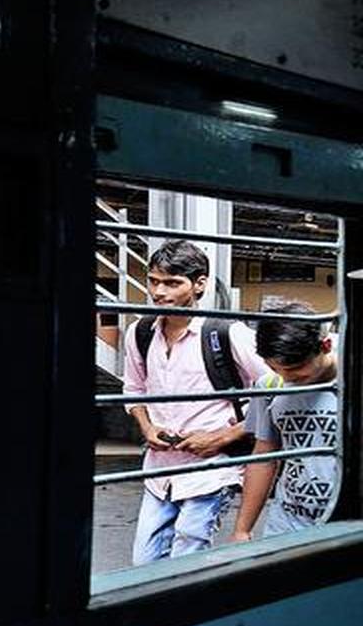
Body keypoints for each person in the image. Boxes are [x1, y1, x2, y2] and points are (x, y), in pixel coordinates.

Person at [122, 240, 269, 564]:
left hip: (211, 470)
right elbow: (133, 389)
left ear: (199, 283)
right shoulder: (140, 332)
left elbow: (277, 388)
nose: (159, 292)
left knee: (188, 558)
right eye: (154, 281)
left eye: (172, 283)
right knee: (143, 563)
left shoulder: (228, 334)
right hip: (159, 472)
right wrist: (146, 427)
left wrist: (225, 436)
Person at [232, 301, 339, 541]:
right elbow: (264, 458)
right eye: (275, 368)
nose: (286, 378)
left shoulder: (353, 373)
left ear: (326, 346)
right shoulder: (270, 385)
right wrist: (242, 529)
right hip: (287, 524)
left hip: (348, 526)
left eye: (296, 369)